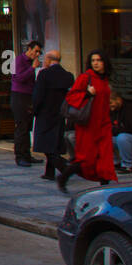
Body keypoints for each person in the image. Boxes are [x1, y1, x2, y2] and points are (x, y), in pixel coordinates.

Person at [57, 51, 118, 192]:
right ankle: (64, 177)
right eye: (93, 60)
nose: (95, 63)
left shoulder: (105, 79)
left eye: (99, 60)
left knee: (105, 156)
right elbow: (71, 97)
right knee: (86, 158)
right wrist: (87, 93)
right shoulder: (86, 77)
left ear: (105, 62)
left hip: (103, 124)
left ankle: (105, 186)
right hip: (88, 125)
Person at [31, 50, 73, 181]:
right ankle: (49, 172)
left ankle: (65, 168)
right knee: (53, 144)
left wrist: (34, 110)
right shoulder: (68, 76)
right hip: (60, 114)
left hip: (45, 113)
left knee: (46, 146)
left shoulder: (44, 74)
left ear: (49, 59)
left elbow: (38, 96)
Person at [11, 40, 44, 167]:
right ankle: (19, 157)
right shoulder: (18, 60)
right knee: (21, 127)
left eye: (39, 52)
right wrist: (32, 68)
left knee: (28, 126)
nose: (36, 54)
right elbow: (18, 78)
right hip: (19, 96)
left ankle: (27, 155)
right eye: (35, 51)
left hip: (29, 97)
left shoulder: (30, 63)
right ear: (29, 49)